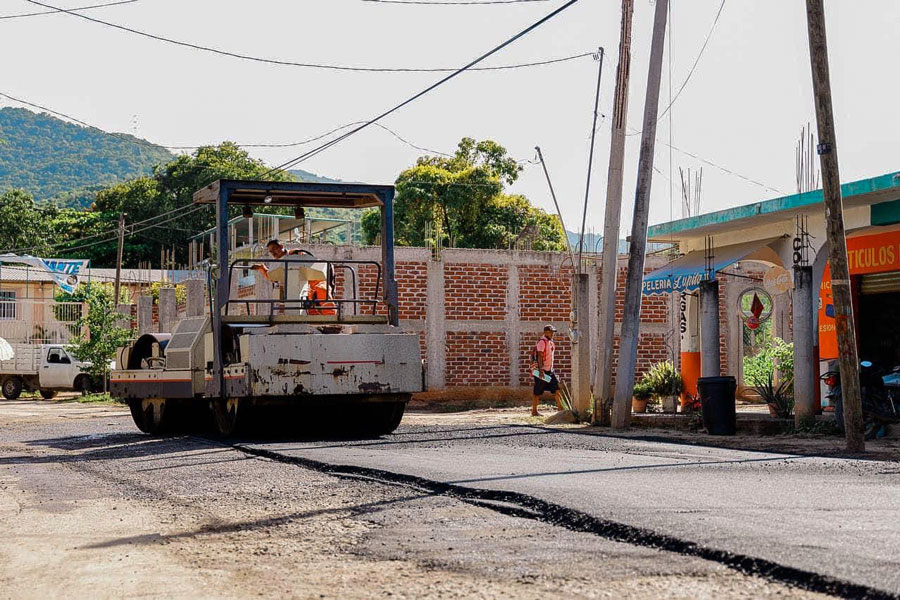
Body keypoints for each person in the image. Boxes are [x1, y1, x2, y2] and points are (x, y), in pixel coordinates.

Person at [531, 324, 563, 416]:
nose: (552, 334)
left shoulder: (550, 342)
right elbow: (540, 356)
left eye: (553, 332)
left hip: (550, 370)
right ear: (546, 332)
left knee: (557, 389)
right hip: (542, 371)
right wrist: (541, 370)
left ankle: (560, 410)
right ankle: (534, 411)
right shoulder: (542, 342)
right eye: (551, 332)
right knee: (537, 391)